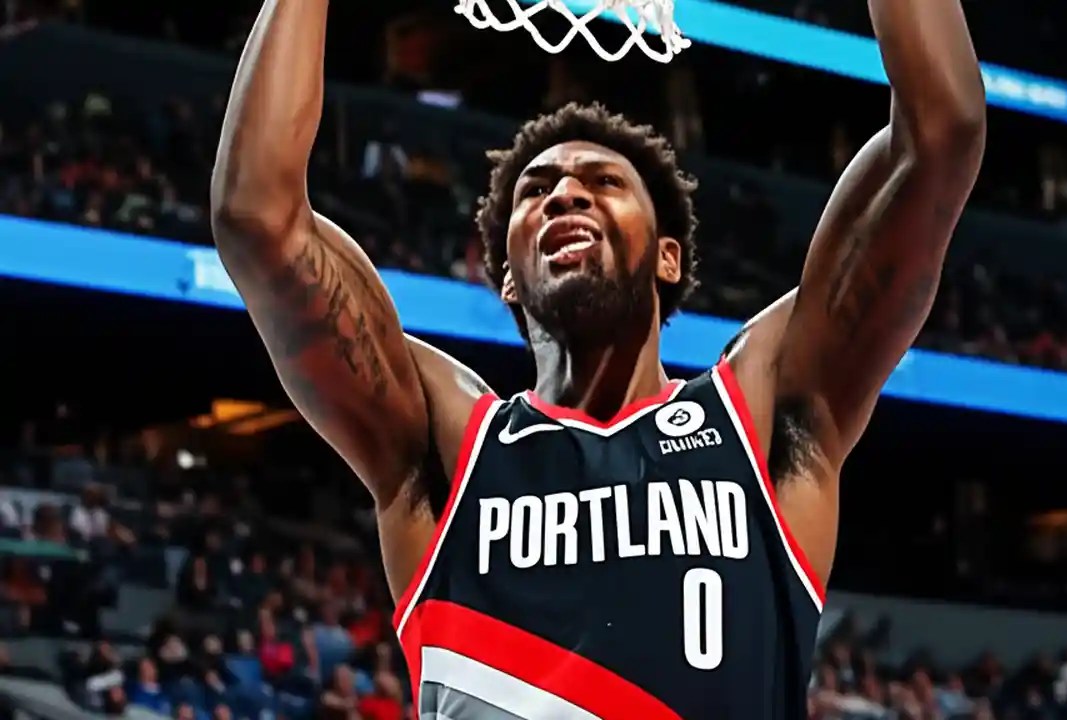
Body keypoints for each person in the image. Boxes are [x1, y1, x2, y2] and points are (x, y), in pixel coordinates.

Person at [210, 0, 984, 716]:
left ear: (669, 257)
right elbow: (257, 216)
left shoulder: (762, 412)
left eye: (603, 182)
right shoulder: (447, 443)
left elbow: (942, 130)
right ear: (508, 273)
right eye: (537, 190)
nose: (564, 196)